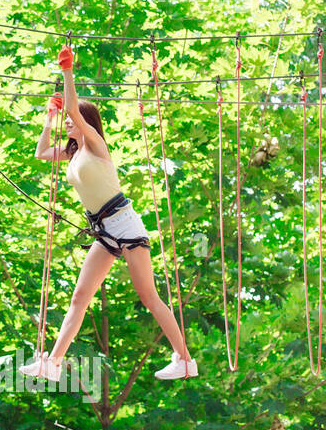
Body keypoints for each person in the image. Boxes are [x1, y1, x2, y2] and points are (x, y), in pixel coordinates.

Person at [20, 44, 198, 382]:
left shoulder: (95, 146)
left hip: (125, 224)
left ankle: (184, 358)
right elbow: (42, 152)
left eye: (72, 120)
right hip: (104, 231)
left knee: (148, 296)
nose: (68, 123)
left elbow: (74, 106)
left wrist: (67, 72)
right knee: (80, 296)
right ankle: (53, 363)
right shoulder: (72, 155)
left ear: (85, 123)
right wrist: (50, 118)